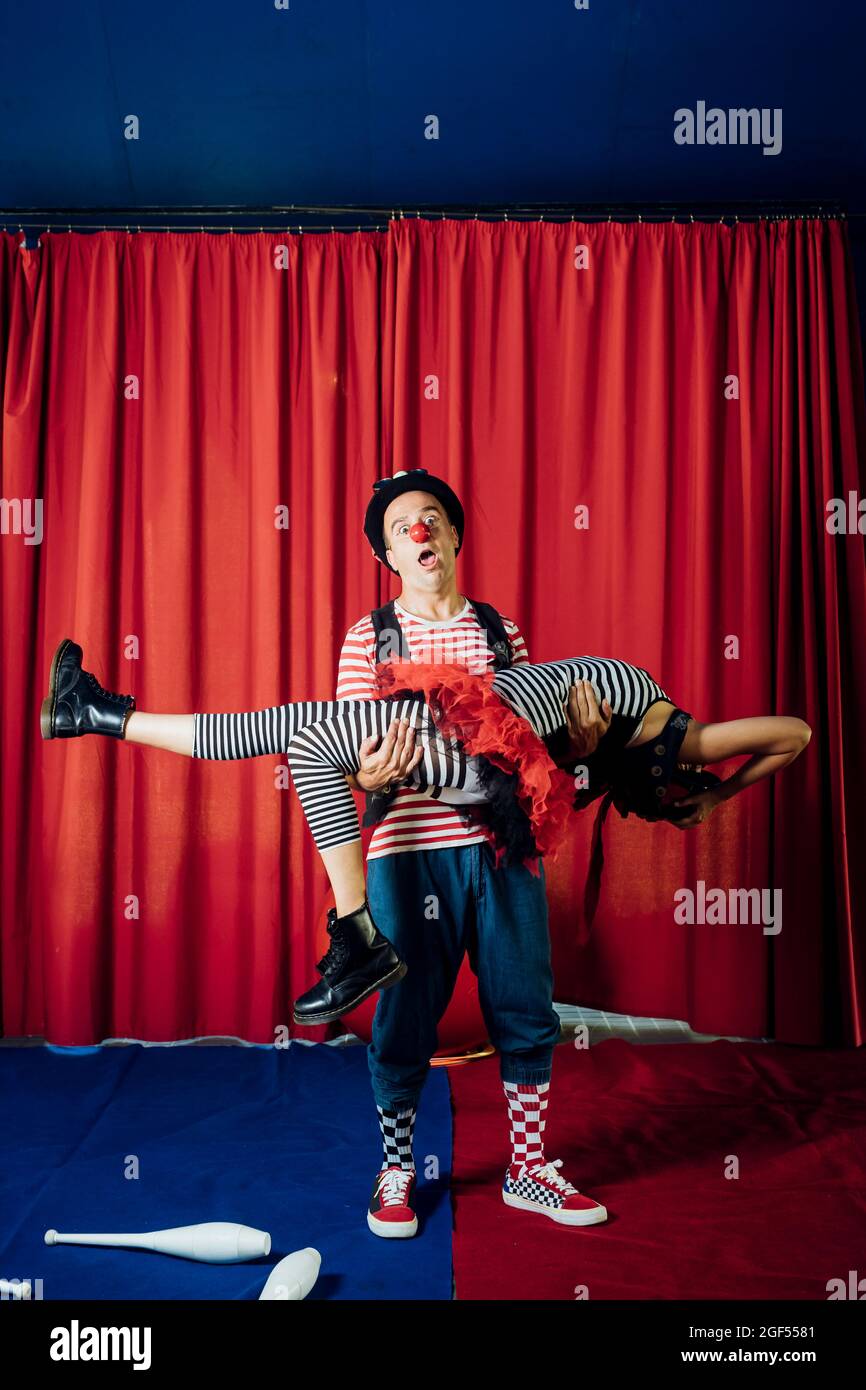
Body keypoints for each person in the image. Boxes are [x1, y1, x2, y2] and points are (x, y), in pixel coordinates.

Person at [40, 472, 812, 1235]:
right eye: (404, 523)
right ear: (387, 552)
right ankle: (397, 1164)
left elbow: (544, 757)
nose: (421, 529)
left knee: (525, 1011)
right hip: (411, 849)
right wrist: (373, 771)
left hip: (501, 846)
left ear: (451, 536)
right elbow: (358, 769)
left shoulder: (504, 633)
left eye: (433, 516)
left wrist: (639, 766)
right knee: (397, 1001)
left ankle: (526, 1163)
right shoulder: (368, 638)